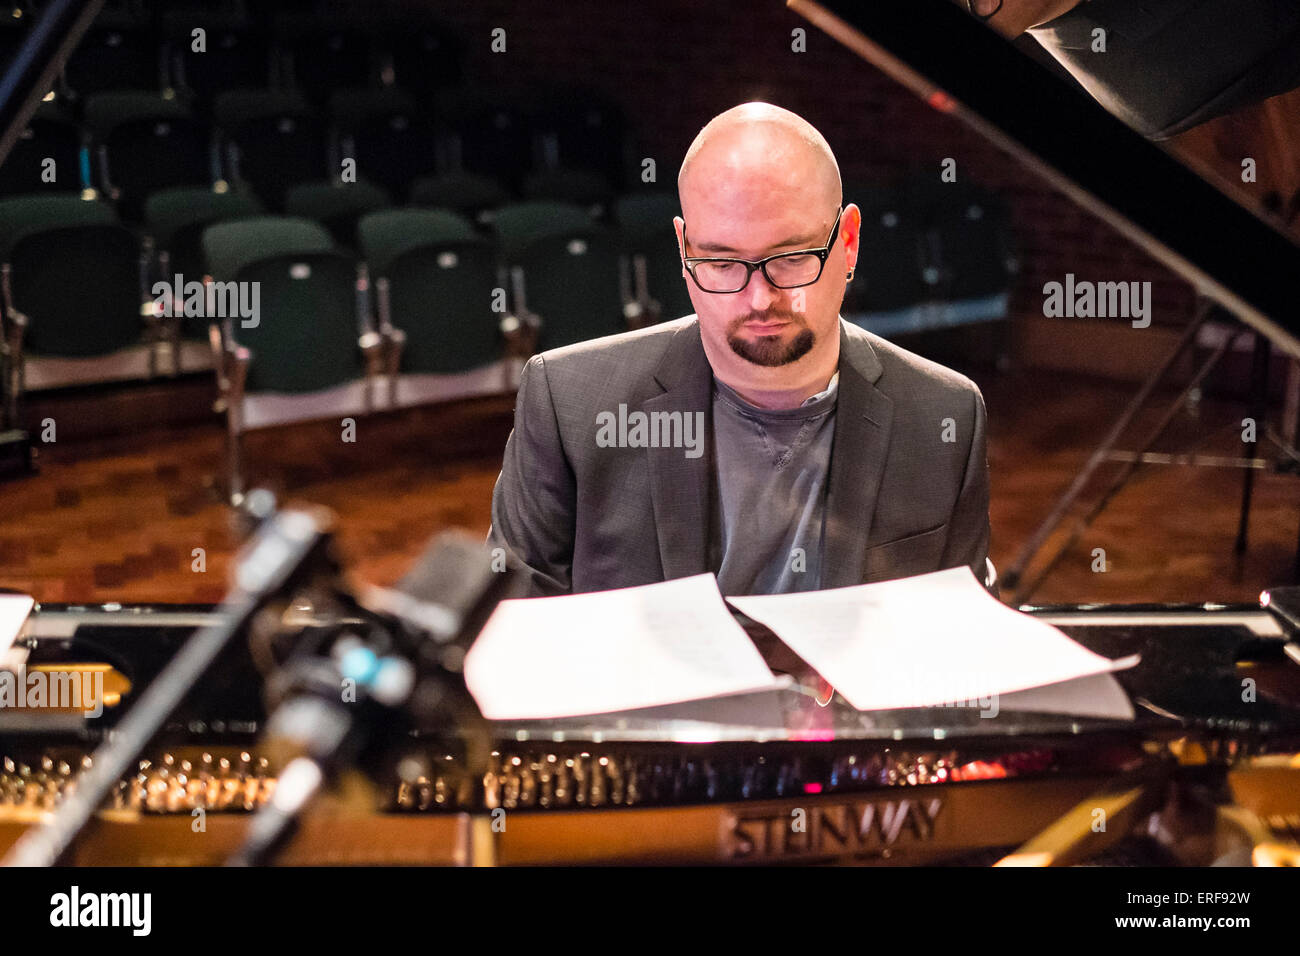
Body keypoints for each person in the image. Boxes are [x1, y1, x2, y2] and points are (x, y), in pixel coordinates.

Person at [488, 102, 990, 598]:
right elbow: (510, 636)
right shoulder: (568, 404)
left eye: (792, 258)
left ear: (850, 242)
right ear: (685, 252)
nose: (760, 299)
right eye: (723, 263)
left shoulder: (947, 414)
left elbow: (955, 643)